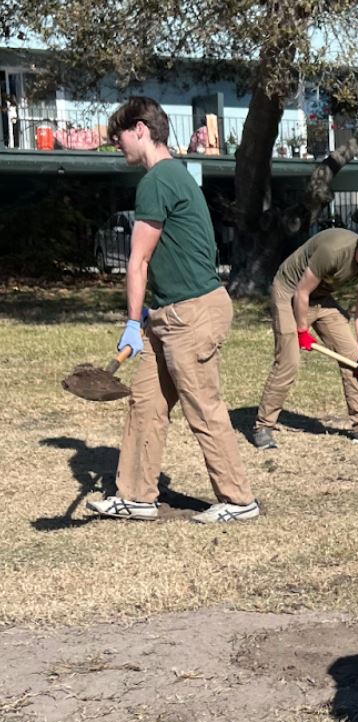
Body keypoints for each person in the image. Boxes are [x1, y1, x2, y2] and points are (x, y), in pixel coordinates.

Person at [87, 96, 258, 525]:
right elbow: (177, 253)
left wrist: (130, 320)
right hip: (168, 312)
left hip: (190, 315)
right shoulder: (176, 177)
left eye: (119, 136)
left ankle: (239, 501)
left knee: (203, 407)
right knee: (145, 403)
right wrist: (148, 313)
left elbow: (138, 261)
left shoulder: (158, 180)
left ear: (140, 128)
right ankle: (136, 496)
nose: (116, 144)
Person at [252, 223, 358, 449]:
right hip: (289, 292)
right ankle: (263, 427)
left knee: (353, 358)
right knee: (289, 362)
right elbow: (301, 292)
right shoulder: (334, 252)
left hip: (320, 298)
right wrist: (301, 331)